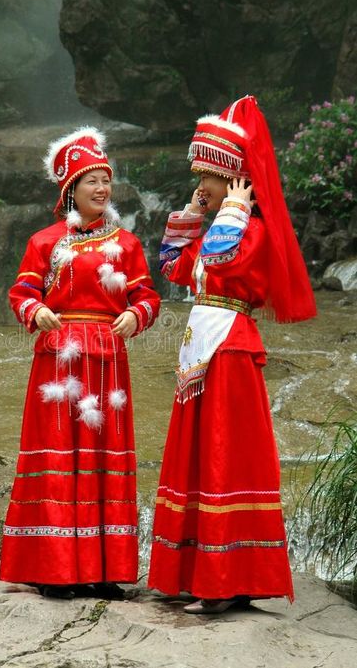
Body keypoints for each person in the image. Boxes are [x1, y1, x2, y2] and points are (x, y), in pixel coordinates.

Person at [148, 96, 316, 613]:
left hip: (232, 346)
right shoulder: (220, 222)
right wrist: (195, 212)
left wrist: (237, 208)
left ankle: (225, 579)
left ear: (235, 179)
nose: (201, 183)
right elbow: (174, 266)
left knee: (225, 455)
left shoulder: (252, 228)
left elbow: (220, 261)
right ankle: (194, 570)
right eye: (197, 174)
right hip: (202, 343)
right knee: (197, 454)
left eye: (209, 176)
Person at [0, 126, 161, 599]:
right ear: (71, 188)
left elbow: (147, 296)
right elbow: (21, 292)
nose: (102, 188)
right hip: (59, 359)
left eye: (106, 180)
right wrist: (38, 310)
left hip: (107, 360)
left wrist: (135, 313)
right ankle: (54, 569)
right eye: (92, 181)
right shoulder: (46, 241)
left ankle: (102, 570)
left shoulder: (127, 244)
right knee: (59, 455)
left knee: (102, 458)